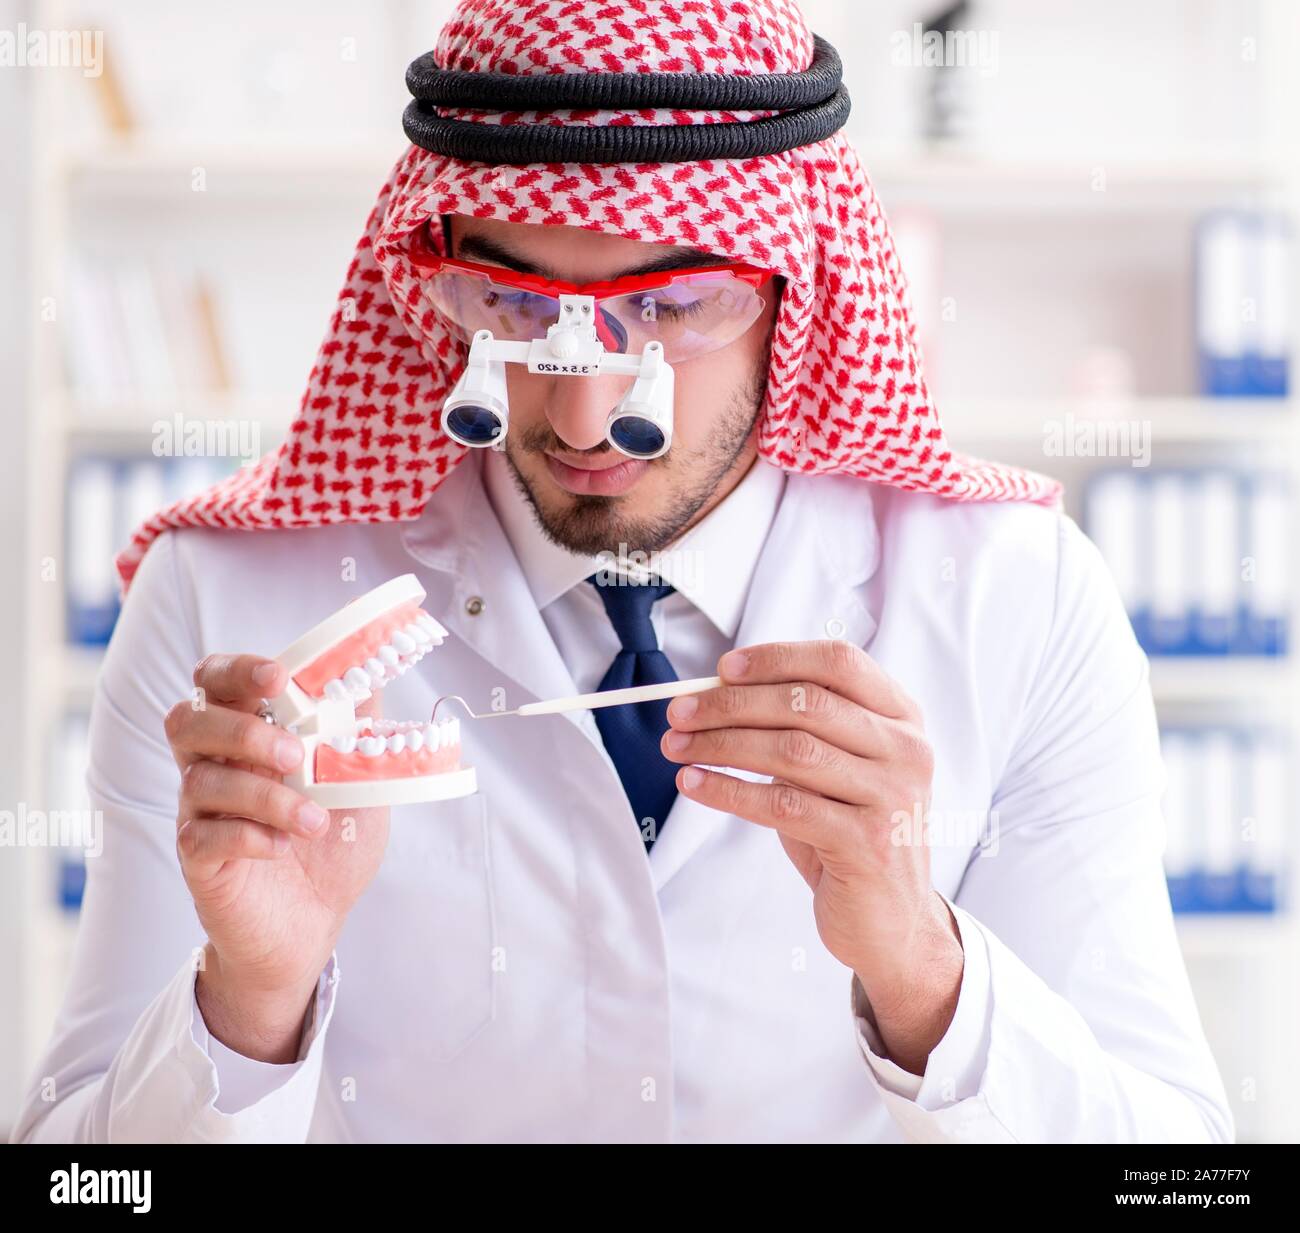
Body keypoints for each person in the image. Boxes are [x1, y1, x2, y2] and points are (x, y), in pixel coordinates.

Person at [13, 0, 1231, 1144]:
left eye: (673, 307)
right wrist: (247, 1011)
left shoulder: (1018, 601)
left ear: (789, 287)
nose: (587, 414)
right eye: (507, 303)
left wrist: (926, 974)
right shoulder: (222, 611)